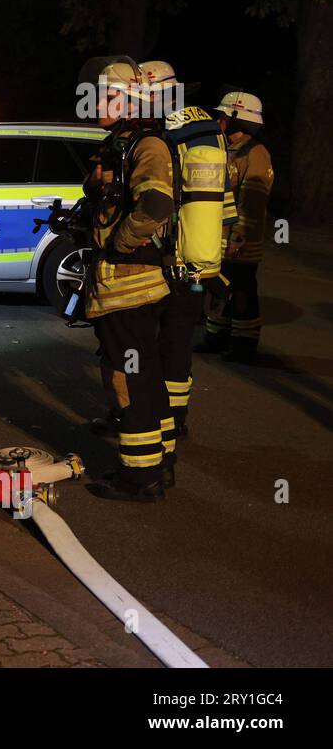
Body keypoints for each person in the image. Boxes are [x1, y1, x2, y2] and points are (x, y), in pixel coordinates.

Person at [80, 58, 175, 503]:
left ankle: (140, 477)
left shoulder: (147, 145)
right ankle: (160, 465)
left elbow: (155, 206)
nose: (92, 102)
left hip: (129, 283)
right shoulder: (121, 143)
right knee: (145, 374)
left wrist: (118, 243)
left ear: (127, 99)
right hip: (123, 284)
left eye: (102, 95)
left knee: (127, 378)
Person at [136, 59, 229, 476]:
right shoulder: (207, 127)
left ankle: (159, 436)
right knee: (178, 347)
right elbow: (222, 200)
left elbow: (160, 197)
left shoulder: (163, 132)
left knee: (157, 346)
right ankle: (177, 422)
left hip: (167, 257)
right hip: (201, 257)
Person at [201, 90, 273, 362]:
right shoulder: (226, 149)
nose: (218, 120)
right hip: (219, 237)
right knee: (219, 288)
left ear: (236, 118)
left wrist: (238, 236)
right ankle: (216, 337)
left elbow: (252, 200)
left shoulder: (255, 153)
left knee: (242, 290)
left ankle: (244, 345)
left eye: (222, 115)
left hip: (241, 240)